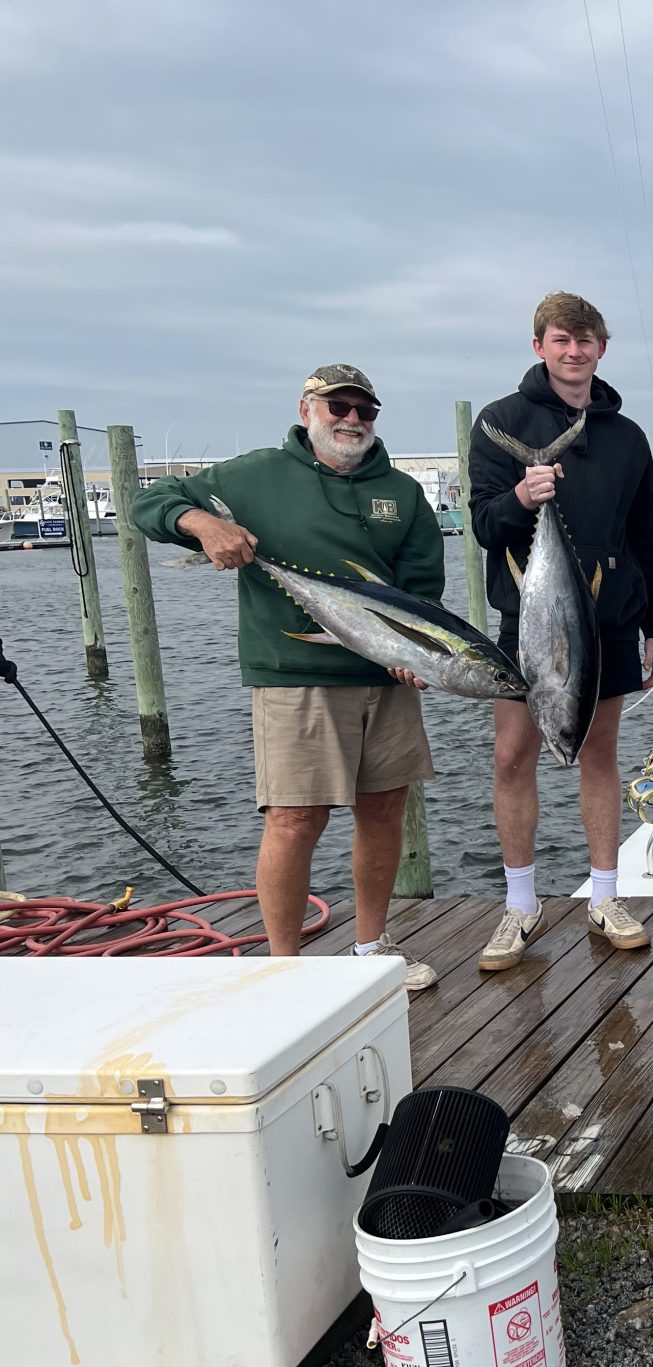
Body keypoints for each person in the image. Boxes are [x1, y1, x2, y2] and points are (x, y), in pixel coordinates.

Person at [132, 365, 442, 985]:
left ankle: (372, 947)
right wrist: (203, 524)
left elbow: (422, 589)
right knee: (295, 818)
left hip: (386, 678)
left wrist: (416, 654)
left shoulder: (403, 493)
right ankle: (282, 972)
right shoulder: (253, 474)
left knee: (384, 810)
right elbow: (149, 501)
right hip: (294, 675)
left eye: (365, 410)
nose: (352, 418)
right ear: (307, 409)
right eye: (339, 406)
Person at [471, 292, 653, 972]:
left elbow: (647, 535)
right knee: (511, 757)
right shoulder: (500, 423)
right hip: (527, 621)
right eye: (562, 339)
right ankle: (520, 904)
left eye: (586, 340)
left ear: (601, 349)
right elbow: (483, 525)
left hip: (610, 620)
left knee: (599, 756)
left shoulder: (627, 436)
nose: (574, 350)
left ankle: (606, 897)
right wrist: (520, 499)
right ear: (540, 346)